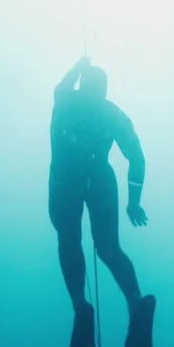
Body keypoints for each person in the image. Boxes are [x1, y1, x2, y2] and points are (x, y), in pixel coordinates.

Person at [49, 56, 147, 320]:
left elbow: (137, 157)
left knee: (70, 240)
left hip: (66, 178)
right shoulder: (108, 112)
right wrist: (133, 201)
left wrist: (78, 67)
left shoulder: (65, 99)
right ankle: (131, 300)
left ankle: (81, 303)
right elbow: (137, 157)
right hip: (93, 177)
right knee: (103, 246)